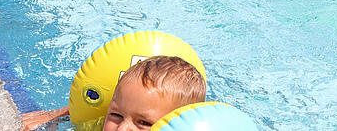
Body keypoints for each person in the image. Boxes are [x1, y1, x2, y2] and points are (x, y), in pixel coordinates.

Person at [19, 55, 206, 131]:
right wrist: (54, 118)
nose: (122, 128)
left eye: (143, 123)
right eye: (116, 115)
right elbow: (83, 119)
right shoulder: (101, 125)